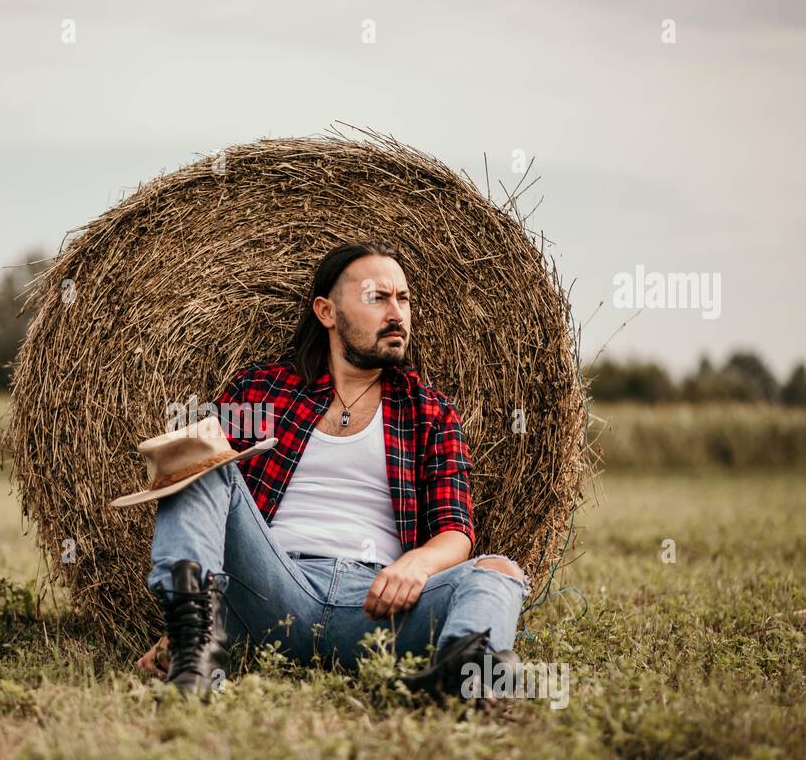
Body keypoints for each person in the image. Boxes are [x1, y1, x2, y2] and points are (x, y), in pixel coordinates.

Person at [119, 241, 529, 704]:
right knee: (197, 458)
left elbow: (456, 532)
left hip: (376, 605)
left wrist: (415, 564)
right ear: (327, 312)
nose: (397, 313)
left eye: (404, 299)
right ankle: (196, 641)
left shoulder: (429, 412)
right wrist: (188, 623)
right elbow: (206, 508)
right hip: (271, 588)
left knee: (498, 570)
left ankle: (463, 675)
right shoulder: (262, 392)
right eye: (378, 298)